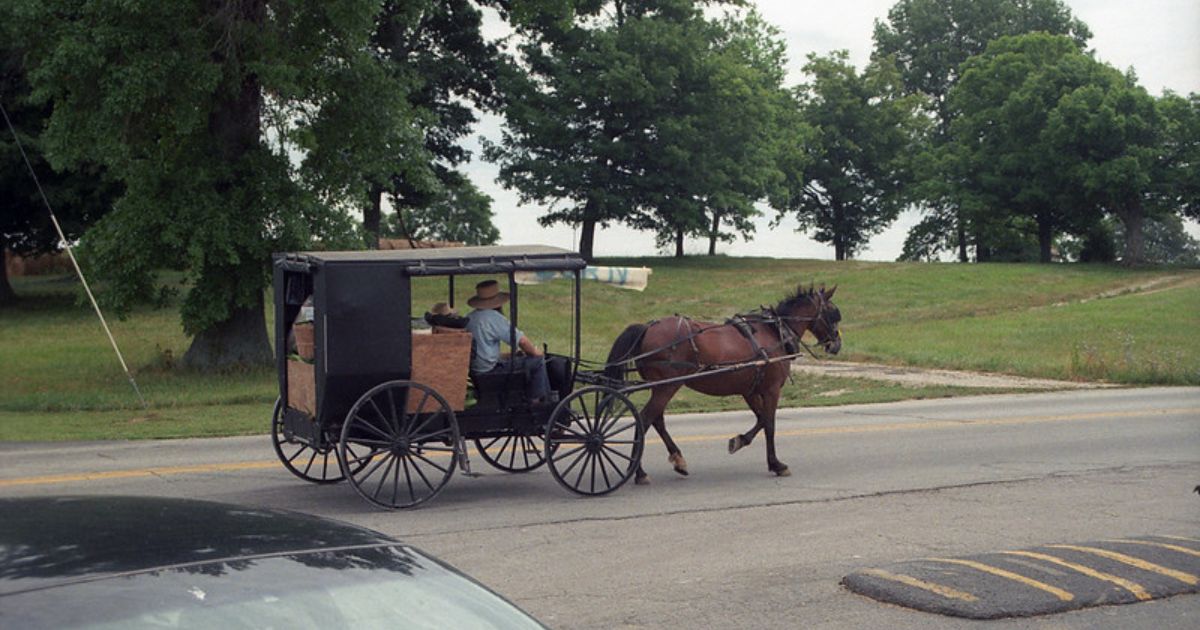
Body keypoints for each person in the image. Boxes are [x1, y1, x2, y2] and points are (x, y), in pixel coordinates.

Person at [465, 279, 552, 403]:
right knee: (537, 362)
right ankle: (537, 402)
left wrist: (509, 356)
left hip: (476, 371)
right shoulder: (493, 318)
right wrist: (536, 352)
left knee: (518, 359)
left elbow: (482, 351)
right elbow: (522, 341)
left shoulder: (470, 317)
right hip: (490, 372)